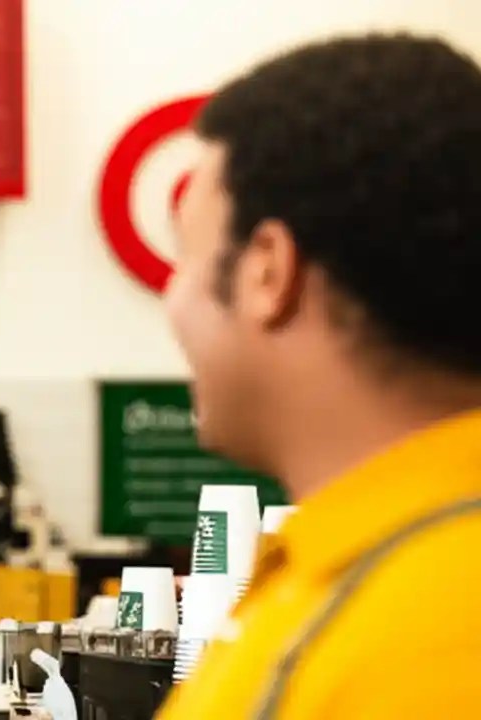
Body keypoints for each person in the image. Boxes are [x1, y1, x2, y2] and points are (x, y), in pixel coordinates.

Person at [158, 33, 481, 718]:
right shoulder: (351, 574)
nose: (172, 298)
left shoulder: (431, 632)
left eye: (184, 255)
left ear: (267, 272)